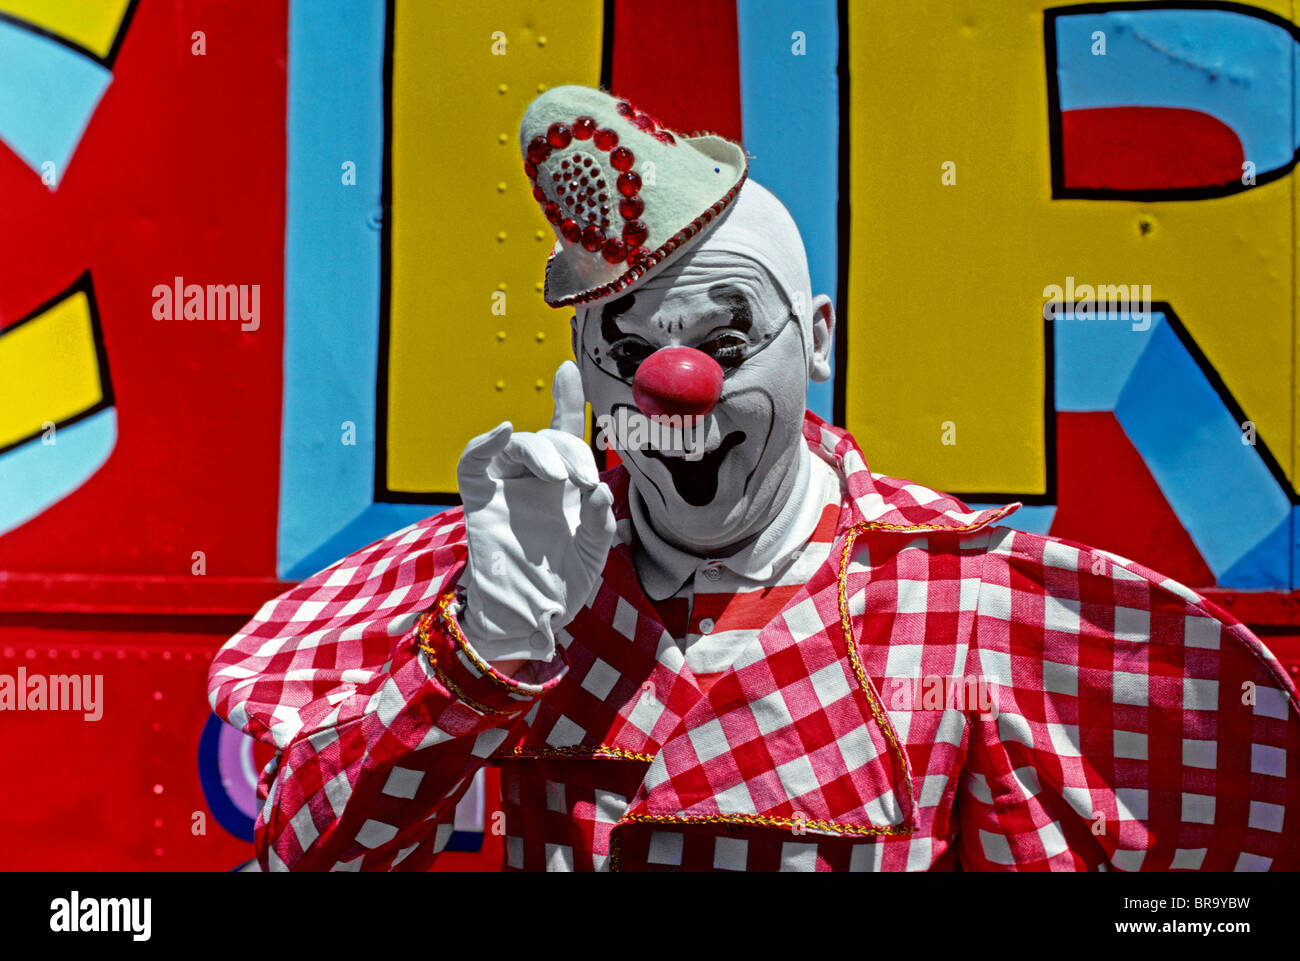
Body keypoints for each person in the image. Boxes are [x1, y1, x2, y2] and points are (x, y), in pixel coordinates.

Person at [209, 85, 1299, 871]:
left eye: (726, 338)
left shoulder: (955, 601)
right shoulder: (518, 567)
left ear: (814, 339)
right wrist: (484, 649)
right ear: (588, 363)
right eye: (630, 347)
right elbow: (309, 860)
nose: (673, 384)